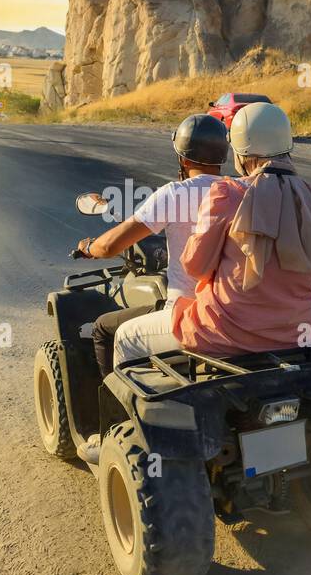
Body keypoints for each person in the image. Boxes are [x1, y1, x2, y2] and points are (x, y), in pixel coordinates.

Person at [173, 102, 311, 357]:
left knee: (124, 338)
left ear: (240, 151)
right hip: (296, 337)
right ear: (287, 144)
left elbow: (196, 267)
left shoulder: (226, 195)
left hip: (222, 335)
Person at [75, 114, 228, 379]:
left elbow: (110, 246)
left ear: (182, 157)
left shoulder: (174, 193)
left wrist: (89, 248)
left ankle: (117, 414)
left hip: (188, 315)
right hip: (232, 312)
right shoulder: (239, 191)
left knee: (103, 328)